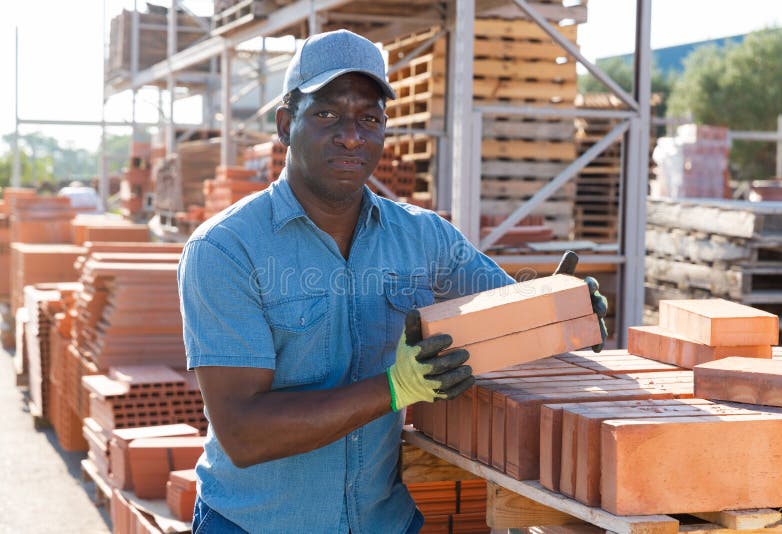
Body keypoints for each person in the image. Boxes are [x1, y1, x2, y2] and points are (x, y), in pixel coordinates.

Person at [178, 29, 606, 533]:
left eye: (369, 118)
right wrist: (395, 387)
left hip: (384, 521)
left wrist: (558, 307)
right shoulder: (227, 250)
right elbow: (244, 434)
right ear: (285, 124)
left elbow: (505, 314)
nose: (352, 136)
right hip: (256, 524)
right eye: (327, 114)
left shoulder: (424, 238)